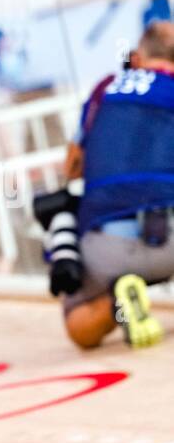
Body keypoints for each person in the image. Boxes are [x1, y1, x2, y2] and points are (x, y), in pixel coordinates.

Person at [45, 20, 174, 349]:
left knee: (79, 326)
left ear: (137, 57)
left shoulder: (106, 89)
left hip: (109, 245)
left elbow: (73, 168)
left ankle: (116, 303)